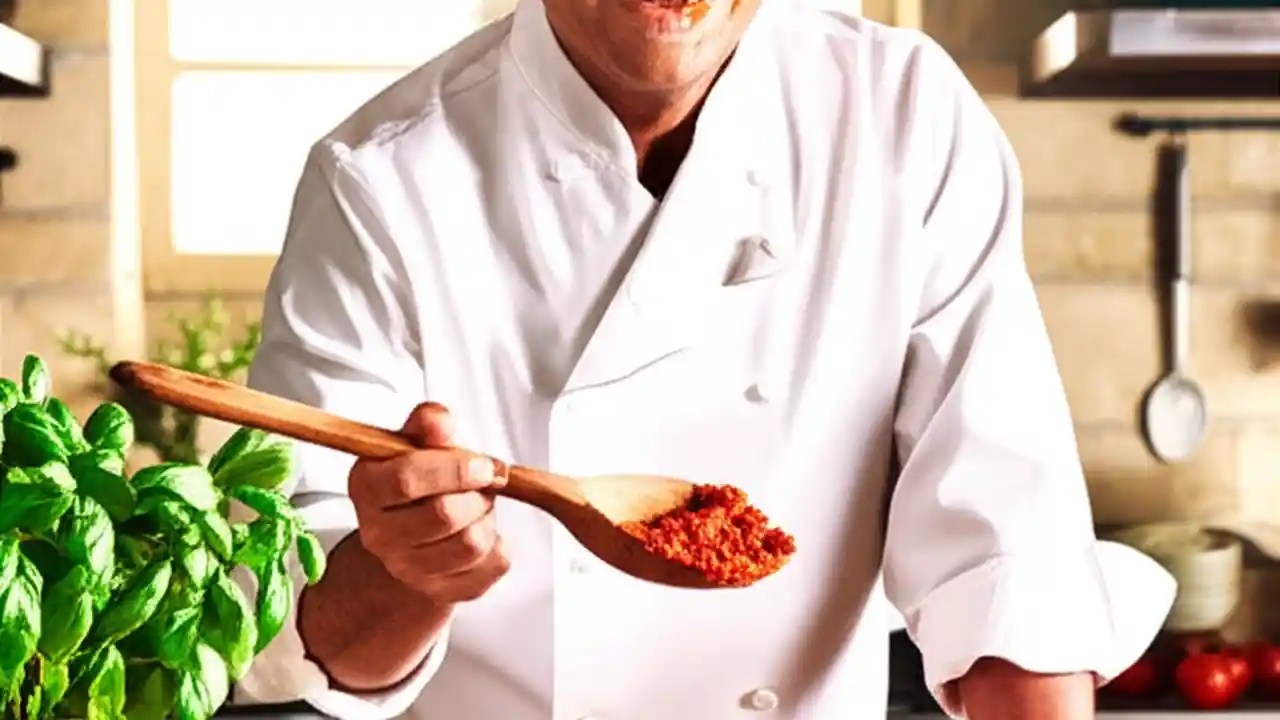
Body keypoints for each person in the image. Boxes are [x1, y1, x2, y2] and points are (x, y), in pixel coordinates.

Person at [233, 0, 1177, 717]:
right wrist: (405, 569)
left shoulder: (903, 117)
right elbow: (309, 639)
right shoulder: (379, 179)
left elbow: (1005, 562)